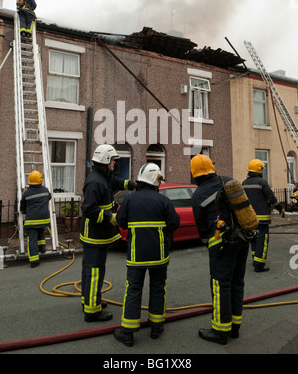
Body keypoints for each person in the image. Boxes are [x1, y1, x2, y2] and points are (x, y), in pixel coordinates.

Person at [114, 163, 180, 347]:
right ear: (155, 181)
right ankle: (156, 327)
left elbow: (121, 222)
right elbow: (174, 223)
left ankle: (127, 332)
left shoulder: (129, 200)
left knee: (133, 290)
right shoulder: (164, 201)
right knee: (158, 288)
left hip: (136, 256)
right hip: (159, 256)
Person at [191, 154, 250, 345]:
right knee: (237, 282)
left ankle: (220, 330)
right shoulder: (226, 180)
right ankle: (235, 327)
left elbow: (201, 227)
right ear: (212, 169)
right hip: (243, 239)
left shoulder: (199, 194)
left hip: (222, 244)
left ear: (195, 175)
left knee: (220, 284)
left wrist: (206, 241)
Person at [80, 144, 137, 323]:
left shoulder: (102, 176)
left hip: (98, 234)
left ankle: (89, 300)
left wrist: (130, 184)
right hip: (95, 235)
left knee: (90, 270)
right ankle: (92, 311)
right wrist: (110, 217)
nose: (114, 163)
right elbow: (88, 209)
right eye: (113, 160)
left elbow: (114, 182)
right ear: (105, 161)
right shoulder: (94, 182)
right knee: (95, 271)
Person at [242, 159, 285, 273]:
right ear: (259, 170)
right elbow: (271, 198)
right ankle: (259, 265)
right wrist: (280, 209)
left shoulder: (244, 183)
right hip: (262, 219)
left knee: (253, 239)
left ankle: (255, 260)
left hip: (249, 219)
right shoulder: (262, 182)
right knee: (262, 240)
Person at [20, 170, 51, 268]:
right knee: (41, 230)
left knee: (32, 239)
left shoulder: (26, 193)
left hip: (32, 220)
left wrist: (24, 211)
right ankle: (42, 248)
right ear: (40, 180)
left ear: (29, 181)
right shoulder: (46, 190)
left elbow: (22, 208)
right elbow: (49, 198)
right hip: (45, 219)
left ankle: (34, 260)